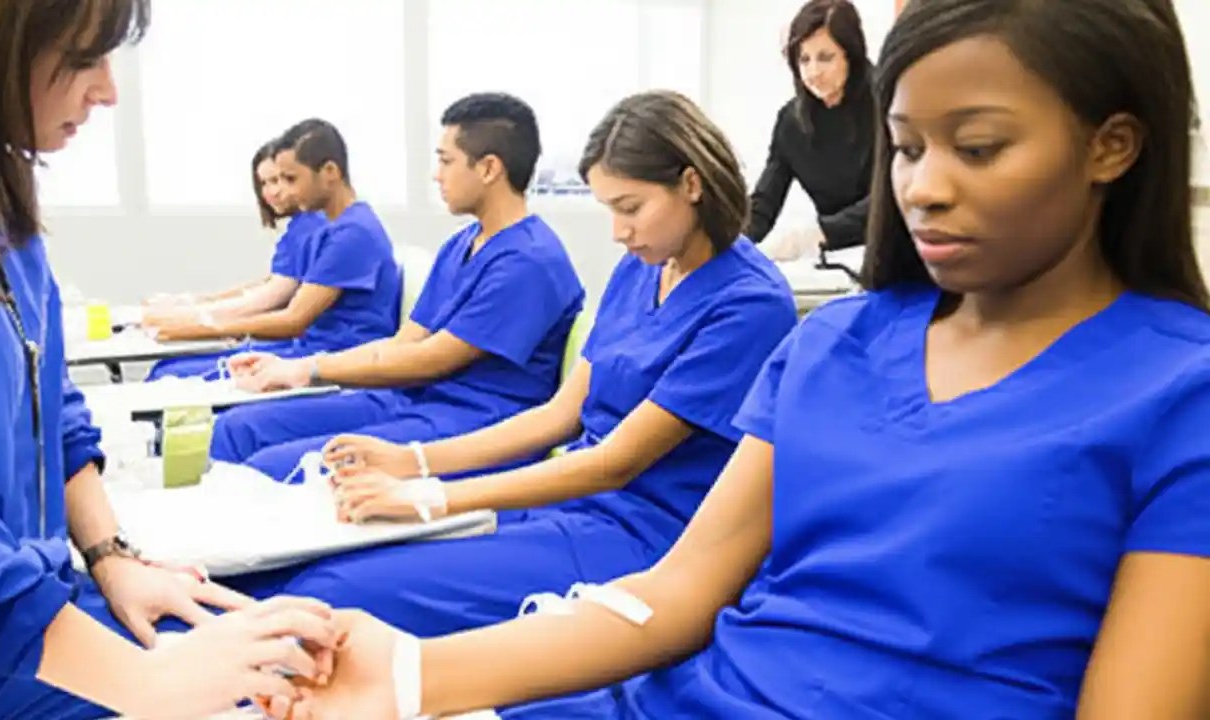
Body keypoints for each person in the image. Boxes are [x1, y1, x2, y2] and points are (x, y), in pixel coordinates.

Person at [264, 0, 1210, 717]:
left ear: (1112, 146)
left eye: (978, 147)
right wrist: (408, 676)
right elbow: (677, 595)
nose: (924, 188)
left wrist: (427, 485)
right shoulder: (838, 343)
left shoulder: (1177, 393)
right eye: (907, 148)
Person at [233, 91, 798, 637]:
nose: (617, 232)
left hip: (644, 533)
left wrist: (431, 493)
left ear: (691, 185)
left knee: (334, 591)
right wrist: (414, 461)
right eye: (609, 210)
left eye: (630, 209)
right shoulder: (641, 268)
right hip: (570, 501)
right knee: (306, 564)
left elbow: (615, 464)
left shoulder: (749, 304)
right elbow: (559, 416)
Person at [0, 2, 341, 718]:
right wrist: (144, 683)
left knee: (286, 657)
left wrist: (112, 555)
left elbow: (49, 404)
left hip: (16, 613)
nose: (108, 90)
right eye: (85, 56)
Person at [208, 93, 585, 483]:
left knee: (270, 470)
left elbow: (432, 359)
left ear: (489, 168)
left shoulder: (528, 261)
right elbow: (406, 342)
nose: (436, 175)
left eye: (445, 161)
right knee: (239, 429)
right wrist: (293, 369)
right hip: (412, 397)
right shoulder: (462, 244)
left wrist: (310, 369)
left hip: (469, 422)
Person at [144, 119, 400, 371]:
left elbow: (293, 320)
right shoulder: (337, 227)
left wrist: (202, 325)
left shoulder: (353, 233)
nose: (286, 192)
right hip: (307, 349)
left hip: (333, 359)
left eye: (291, 179)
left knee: (170, 373)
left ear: (330, 172)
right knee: (169, 368)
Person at [143, 138, 327, 379]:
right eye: (265, 183)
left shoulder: (320, 227)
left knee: (169, 374)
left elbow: (269, 300)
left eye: (283, 179)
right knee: (166, 369)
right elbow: (270, 283)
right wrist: (194, 303)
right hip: (304, 344)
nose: (273, 191)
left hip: (314, 348)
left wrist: (192, 319)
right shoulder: (302, 227)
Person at [747, 0, 876, 260]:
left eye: (825, 58)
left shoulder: (889, 102)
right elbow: (764, 204)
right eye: (804, 60)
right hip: (839, 258)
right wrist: (727, 245)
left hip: (901, 247)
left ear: (852, 55)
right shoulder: (791, 122)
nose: (813, 72)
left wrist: (817, 233)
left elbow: (896, 194)